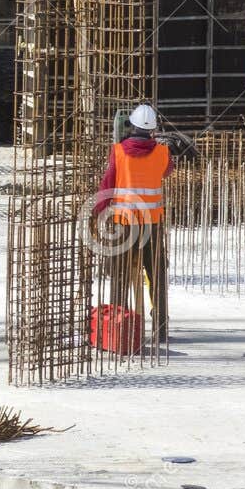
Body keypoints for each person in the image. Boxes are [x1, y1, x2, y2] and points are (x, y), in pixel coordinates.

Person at [92, 103, 172, 342]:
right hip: (152, 224)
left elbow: (108, 184)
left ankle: (119, 327)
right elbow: (166, 171)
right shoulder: (162, 153)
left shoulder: (118, 151)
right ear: (153, 130)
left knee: (120, 275)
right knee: (156, 274)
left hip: (124, 224)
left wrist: (98, 211)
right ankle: (161, 327)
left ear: (132, 126)